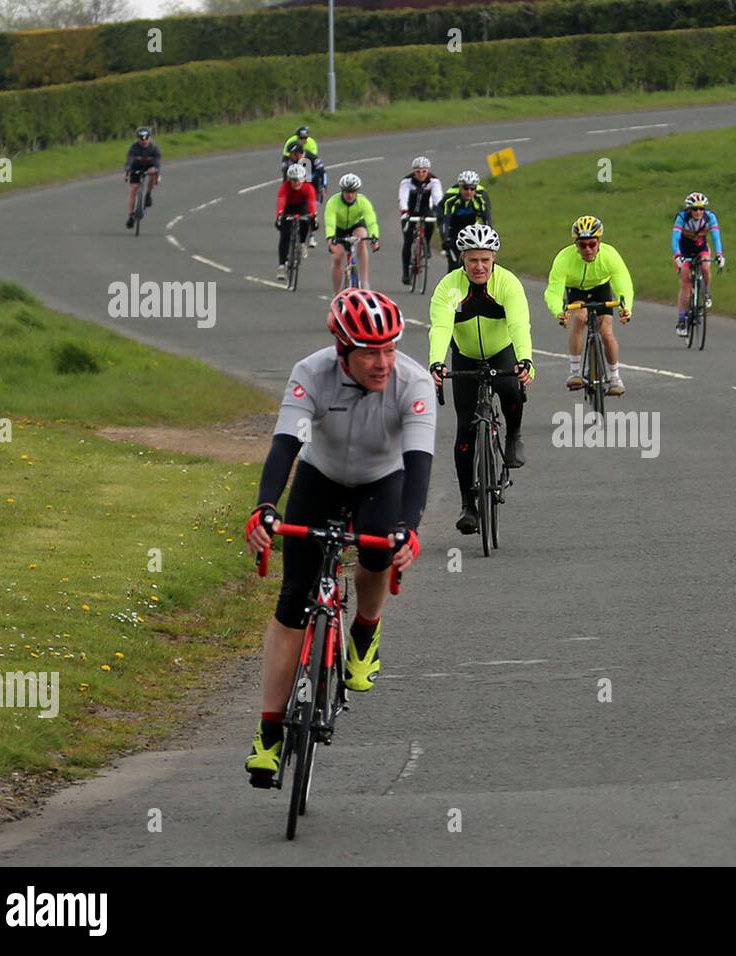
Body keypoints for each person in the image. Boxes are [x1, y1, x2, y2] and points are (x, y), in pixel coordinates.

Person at [243, 288, 435, 786]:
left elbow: (417, 466)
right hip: (320, 475)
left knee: (377, 550)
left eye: (390, 348)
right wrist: (265, 509)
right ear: (341, 350)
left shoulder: (413, 382)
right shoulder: (311, 373)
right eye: (371, 352)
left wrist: (407, 529)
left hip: (383, 480)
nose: (383, 362)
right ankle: (268, 736)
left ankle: (365, 631)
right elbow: (285, 446)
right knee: (292, 602)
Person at [427, 224, 534, 534]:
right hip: (465, 357)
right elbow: (441, 329)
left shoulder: (508, 284)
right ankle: (468, 505)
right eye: (473, 260)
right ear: (462, 259)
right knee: (464, 430)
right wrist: (436, 363)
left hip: (502, 352)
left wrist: (524, 358)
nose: (479, 267)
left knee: (510, 388)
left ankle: (513, 435)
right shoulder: (449, 288)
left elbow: (519, 325)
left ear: (494, 259)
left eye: (485, 260)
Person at [545, 216, 634, 395]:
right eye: (582, 245)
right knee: (579, 317)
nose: (587, 249)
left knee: (607, 332)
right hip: (576, 290)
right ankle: (575, 372)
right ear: (576, 244)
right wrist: (559, 312)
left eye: (592, 244)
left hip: (601, 288)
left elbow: (623, 284)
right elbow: (553, 291)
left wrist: (626, 308)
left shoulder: (610, 256)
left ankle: (615, 377)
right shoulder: (564, 258)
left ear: (599, 241)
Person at [671, 191, 725, 336]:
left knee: (706, 266)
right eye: (695, 209)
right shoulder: (682, 217)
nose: (698, 212)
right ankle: (681, 321)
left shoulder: (710, 217)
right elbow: (675, 239)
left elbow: (716, 238)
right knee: (686, 284)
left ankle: (706, 294)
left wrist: (719, 255)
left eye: (701, 208)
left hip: (701, 247)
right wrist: (677, 256)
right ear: (689, 209)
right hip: (684, 249)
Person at [325, 173, 381, 295]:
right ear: (342, 191)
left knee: (361, 238)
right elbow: (330, 223)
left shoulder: (363, 202)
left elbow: (371, 222)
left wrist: (375, 238)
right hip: (339, 229)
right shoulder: (333, 203)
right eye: (347, 192)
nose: (350, 195)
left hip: (356, 226)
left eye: (353, 192)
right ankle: (336, 294)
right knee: (337, 258)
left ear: (356, 191)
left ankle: (365, 282)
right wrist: (330, 238)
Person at [398, 156, 444, 286]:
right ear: (414, 172)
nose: (421, 174)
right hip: (410, 212)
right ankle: (406, 273)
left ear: (428, 171)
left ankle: (426, 244)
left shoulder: (433, 181)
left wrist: (439, 211)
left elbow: (437, 197)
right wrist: (405, 212)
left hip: (425, 210)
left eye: (424, 171)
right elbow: (403, 198)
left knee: (430, 224)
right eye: (418, 171)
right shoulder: (406, 182)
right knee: (407, 241)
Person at [439, 170, 492, 272]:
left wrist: (489, 237)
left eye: (472, 189)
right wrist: (445, 239)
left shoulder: (481, 195)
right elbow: (445, 220)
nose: (469, 192)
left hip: (471, 227)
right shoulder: (451, 197)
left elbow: (487, 218)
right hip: (453, 226)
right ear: (460, 187)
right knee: (454, 264)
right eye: (465, 188)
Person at [274, 164, 318, 279]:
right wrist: (279, 215)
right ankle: (282, 266)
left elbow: (312, 203)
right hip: (288, 207)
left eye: (299, 179)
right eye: (293, 180)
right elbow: (281, 201)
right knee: (285, 236)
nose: (296, 182)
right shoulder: (285, 187)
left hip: (302, 207)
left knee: (306, 221)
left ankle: (302, 243)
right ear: (289, 180)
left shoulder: (308, 188)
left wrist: (313, 216)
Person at [282, 142, 327, 247]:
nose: (289, 156)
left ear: (298, 153)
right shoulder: (289, 161)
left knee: (311, 211)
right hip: (297, 188)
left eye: (291, 154)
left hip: (313, 188)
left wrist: (324, 186)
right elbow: (286, 178)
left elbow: (323, 173)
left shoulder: (312, 158)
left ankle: (311, 236)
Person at [123, 127, 160, 229]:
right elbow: (129, 159)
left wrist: (155, 169)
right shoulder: (134, 148)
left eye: (146, 138)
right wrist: (127, 170)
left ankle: (148, 194)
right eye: (141, 138)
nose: (144, 141)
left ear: (149, 137)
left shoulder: (154, 148)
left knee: (153, 175)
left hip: (149, 167)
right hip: (136, 167)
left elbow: (157, 161)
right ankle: (131, 216)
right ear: (138, 138)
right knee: (134, 188)